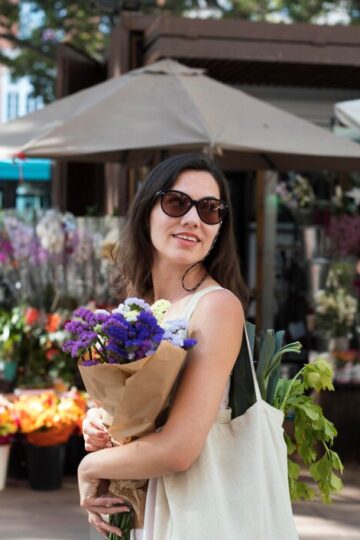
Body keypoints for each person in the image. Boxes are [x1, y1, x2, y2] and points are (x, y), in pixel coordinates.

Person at [79, 153, 298, 540]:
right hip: (151, 511)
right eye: (177, 202)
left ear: (219, 228)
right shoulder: (139, 311)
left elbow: (179, 449)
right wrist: (101, 424)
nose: (194, 219)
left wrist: (90, 468)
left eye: (210, 209)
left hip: (198, 514)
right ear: (147, 210)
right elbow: (133, 412)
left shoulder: (215, 307)